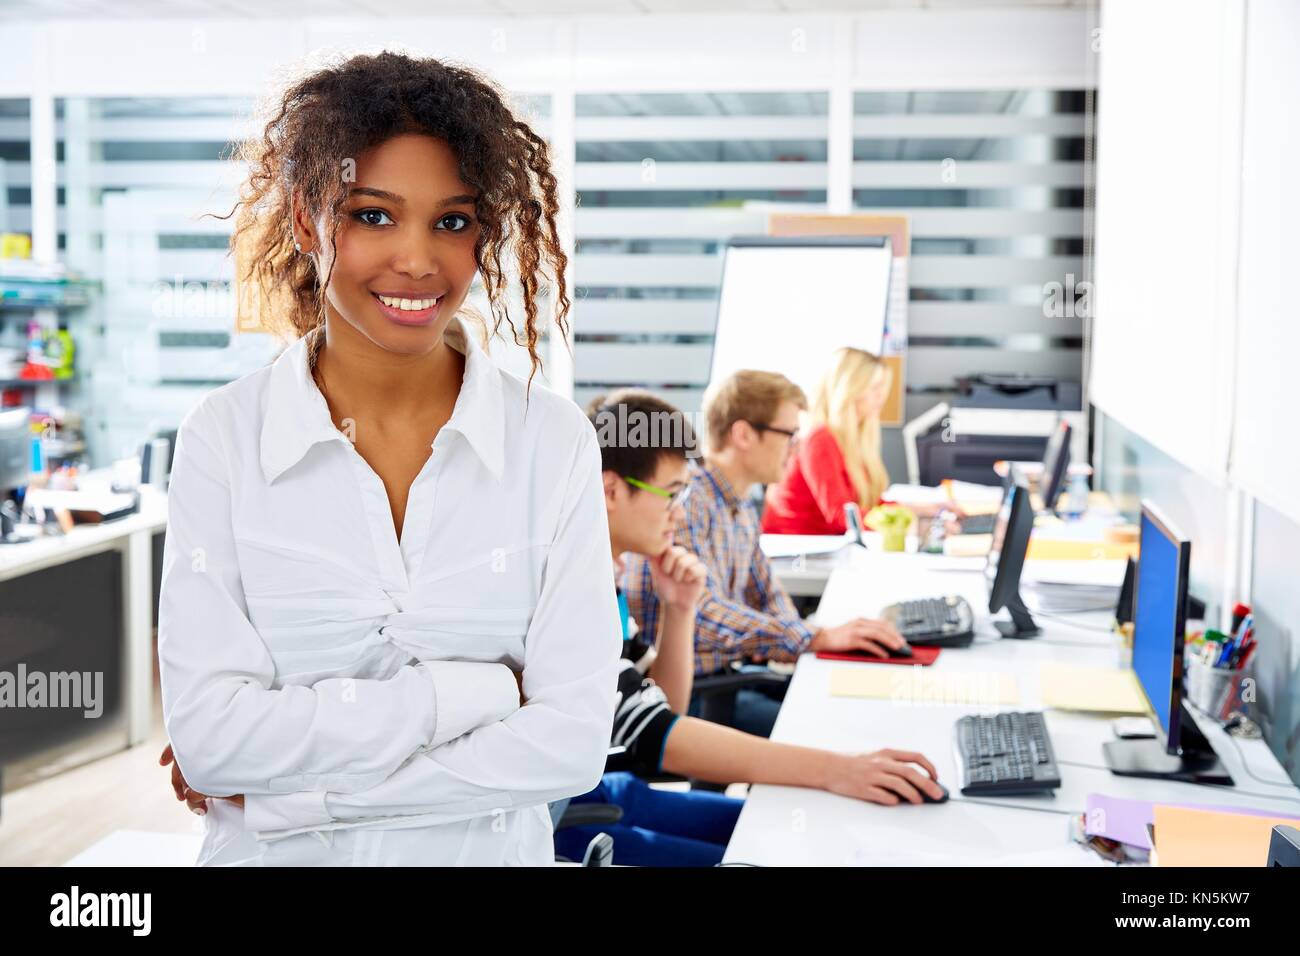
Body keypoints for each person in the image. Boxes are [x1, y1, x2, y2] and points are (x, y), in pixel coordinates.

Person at [155, 51, 620, 866]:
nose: (417, 259)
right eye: (373, 215)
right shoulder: (222, 438)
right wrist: (472, 694)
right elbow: (212, 742)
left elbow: (571, 747)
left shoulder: (552, 445)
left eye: (452, 221)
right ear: (307, 220)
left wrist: (292, 798)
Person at [548, 391, 943, 866]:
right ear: (611, 491)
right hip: (563, 821)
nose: (679, 511)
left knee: (807, 829)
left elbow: (659, 708)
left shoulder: (607, 579)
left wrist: (680, 608)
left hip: (608, 792)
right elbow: (658, 737)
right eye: (672, 494)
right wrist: (839, 771)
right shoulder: (569, 588)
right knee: (784, 848)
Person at [623, 370, 908, 738]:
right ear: (743, 434)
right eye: (789, 434)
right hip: (694, 694)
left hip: (730, 679)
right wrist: (808, 638)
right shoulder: (689, 501)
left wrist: (804, 637)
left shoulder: (740, 504)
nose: (796, 447)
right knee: (836, 733)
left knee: (853, 706)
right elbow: (704, 613)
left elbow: (768, 592)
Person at [762, 347, 892, 535]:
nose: (881, 396)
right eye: (874, 387)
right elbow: (839, 516)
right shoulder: (819, 438)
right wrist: (901, 524)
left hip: (822, 546)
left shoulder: (852, 438)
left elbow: (870, 503)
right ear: (850, 389)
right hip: (796, 551)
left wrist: (914, 513)